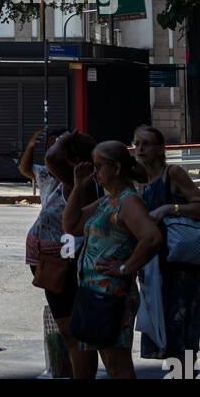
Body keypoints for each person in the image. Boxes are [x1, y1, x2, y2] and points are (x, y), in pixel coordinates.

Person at [63, 141, 163, 379]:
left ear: (116, 168)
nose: (95, 173)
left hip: (112, 297)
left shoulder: (128, 201)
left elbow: (151, 237)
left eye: (99, 166)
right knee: (106, 359)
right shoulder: (109, 200)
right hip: (94, 294)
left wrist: (125, 267)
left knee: (117, 364)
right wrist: (78, 187)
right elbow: (71, 225)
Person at [24, 130, 98, 379]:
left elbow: (52, 159)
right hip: (57, 264)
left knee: (75, 335)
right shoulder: (77, 182)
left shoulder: (80, 182)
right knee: (71, 335)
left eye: (62, 148)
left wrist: (69, 135)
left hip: (66, 265)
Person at [133, 124, 200, 364]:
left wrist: (170, 208)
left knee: (181, 336)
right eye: (137, 142)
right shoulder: (139, 180)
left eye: (146, 144)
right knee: (165, 338)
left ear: (160, 149)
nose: (140, 148)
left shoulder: (172, 174)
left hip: (179, 269)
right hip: (153, 268)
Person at [19, 127, 62, 202]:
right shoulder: (45, 173)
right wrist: (30, 146)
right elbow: (24, 169)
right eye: (49, 147)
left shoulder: (73, 174)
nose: (51, 152)